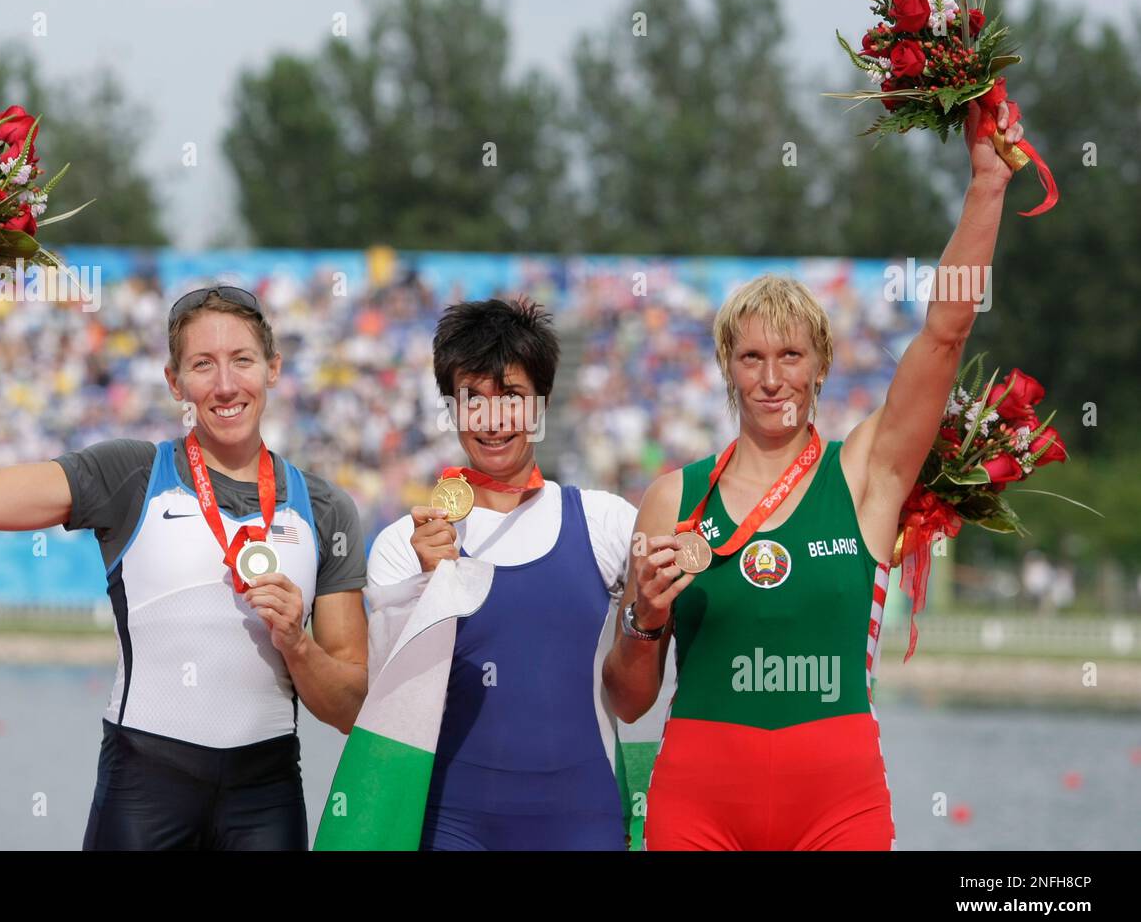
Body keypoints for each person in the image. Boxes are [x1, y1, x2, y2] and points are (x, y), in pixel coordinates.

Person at [603, 100, 1026, 850]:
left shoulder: (867, 473)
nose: (772, 379)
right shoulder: (672, 496)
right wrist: (645, 620)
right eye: (752, 358)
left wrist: (986, 185)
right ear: (727, 370)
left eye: (791, 356)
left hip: (838, 806)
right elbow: (627, 700)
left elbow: (945, 331)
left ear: (821, 366)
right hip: (699, 806)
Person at [0, 257, 368, 850]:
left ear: (274, 369)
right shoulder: (128, 474)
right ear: (175, 382)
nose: (225, 385)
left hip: (266, 796)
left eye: (243, 361)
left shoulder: (325, 509)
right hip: (144, 788)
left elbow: (352, 709)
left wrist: (298, 645)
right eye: (203, 365)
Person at [367, 298, 637, 850]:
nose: (492, 420)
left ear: (542, 403)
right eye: (473, 400)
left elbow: (654, 669)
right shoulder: (403, 545)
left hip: (584, 822)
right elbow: (388, 709)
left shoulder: (606, 523)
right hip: (451, 827)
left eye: (512, 397)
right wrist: (427, 588)